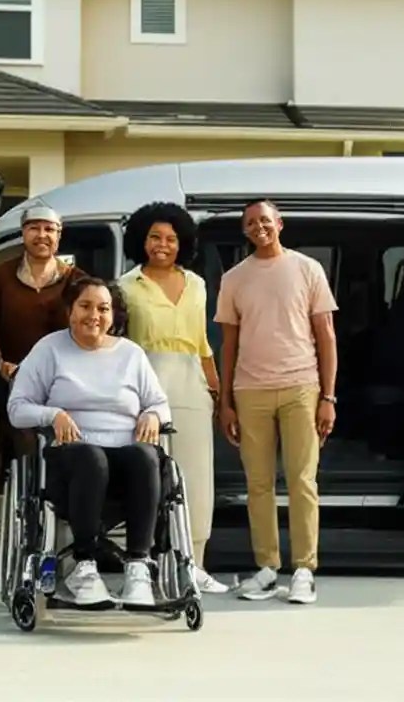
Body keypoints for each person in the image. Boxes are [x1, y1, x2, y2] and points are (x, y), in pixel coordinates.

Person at [6, 275, 173, 608]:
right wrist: (52, 415)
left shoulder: (131, 354)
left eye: (103, 308)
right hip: (73, 461)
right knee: (91, 457)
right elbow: (17, 409)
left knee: (145, 457)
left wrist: (153, 416)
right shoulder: (49, 349)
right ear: (70, 309)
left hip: (126, 460)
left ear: (113, 315)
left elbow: (160, 404)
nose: (94, 315)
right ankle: (84, 567)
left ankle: (138, 567)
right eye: (85, 306)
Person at [214, 199, 338, 605]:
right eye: (250, 223)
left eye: (264, 220)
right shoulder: (234, 278)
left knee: (302, 480)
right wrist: (225, 402)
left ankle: (304, 568)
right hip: (251, 391)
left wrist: (328, 397)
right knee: (259, 484)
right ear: (244, 230)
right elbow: (228, 344)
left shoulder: (307, 269)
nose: (258, 227)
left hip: (302, 385)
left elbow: (326, 336)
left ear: (279, 224)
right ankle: (267, 567)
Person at [118, 201, 229, 595]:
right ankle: (146, 564)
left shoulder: (197, 284)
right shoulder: (125, 286)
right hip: (144, 388)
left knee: (197, 478)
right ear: (141, 240)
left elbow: (202, 345)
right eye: (154, 237)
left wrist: (218, 394)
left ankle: (195, 564)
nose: (162, 245)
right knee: (150, 481)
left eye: (171, 238)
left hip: (191, 385)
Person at [0, 204, 85, 477]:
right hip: (13, 381)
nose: (42, 235)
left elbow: (89, 332)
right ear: (23, 233)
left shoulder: (77, 282)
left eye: (49, 229)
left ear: (59, 235)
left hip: (63, 383)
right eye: (34, 228)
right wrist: (0, 362)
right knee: (21, 458)